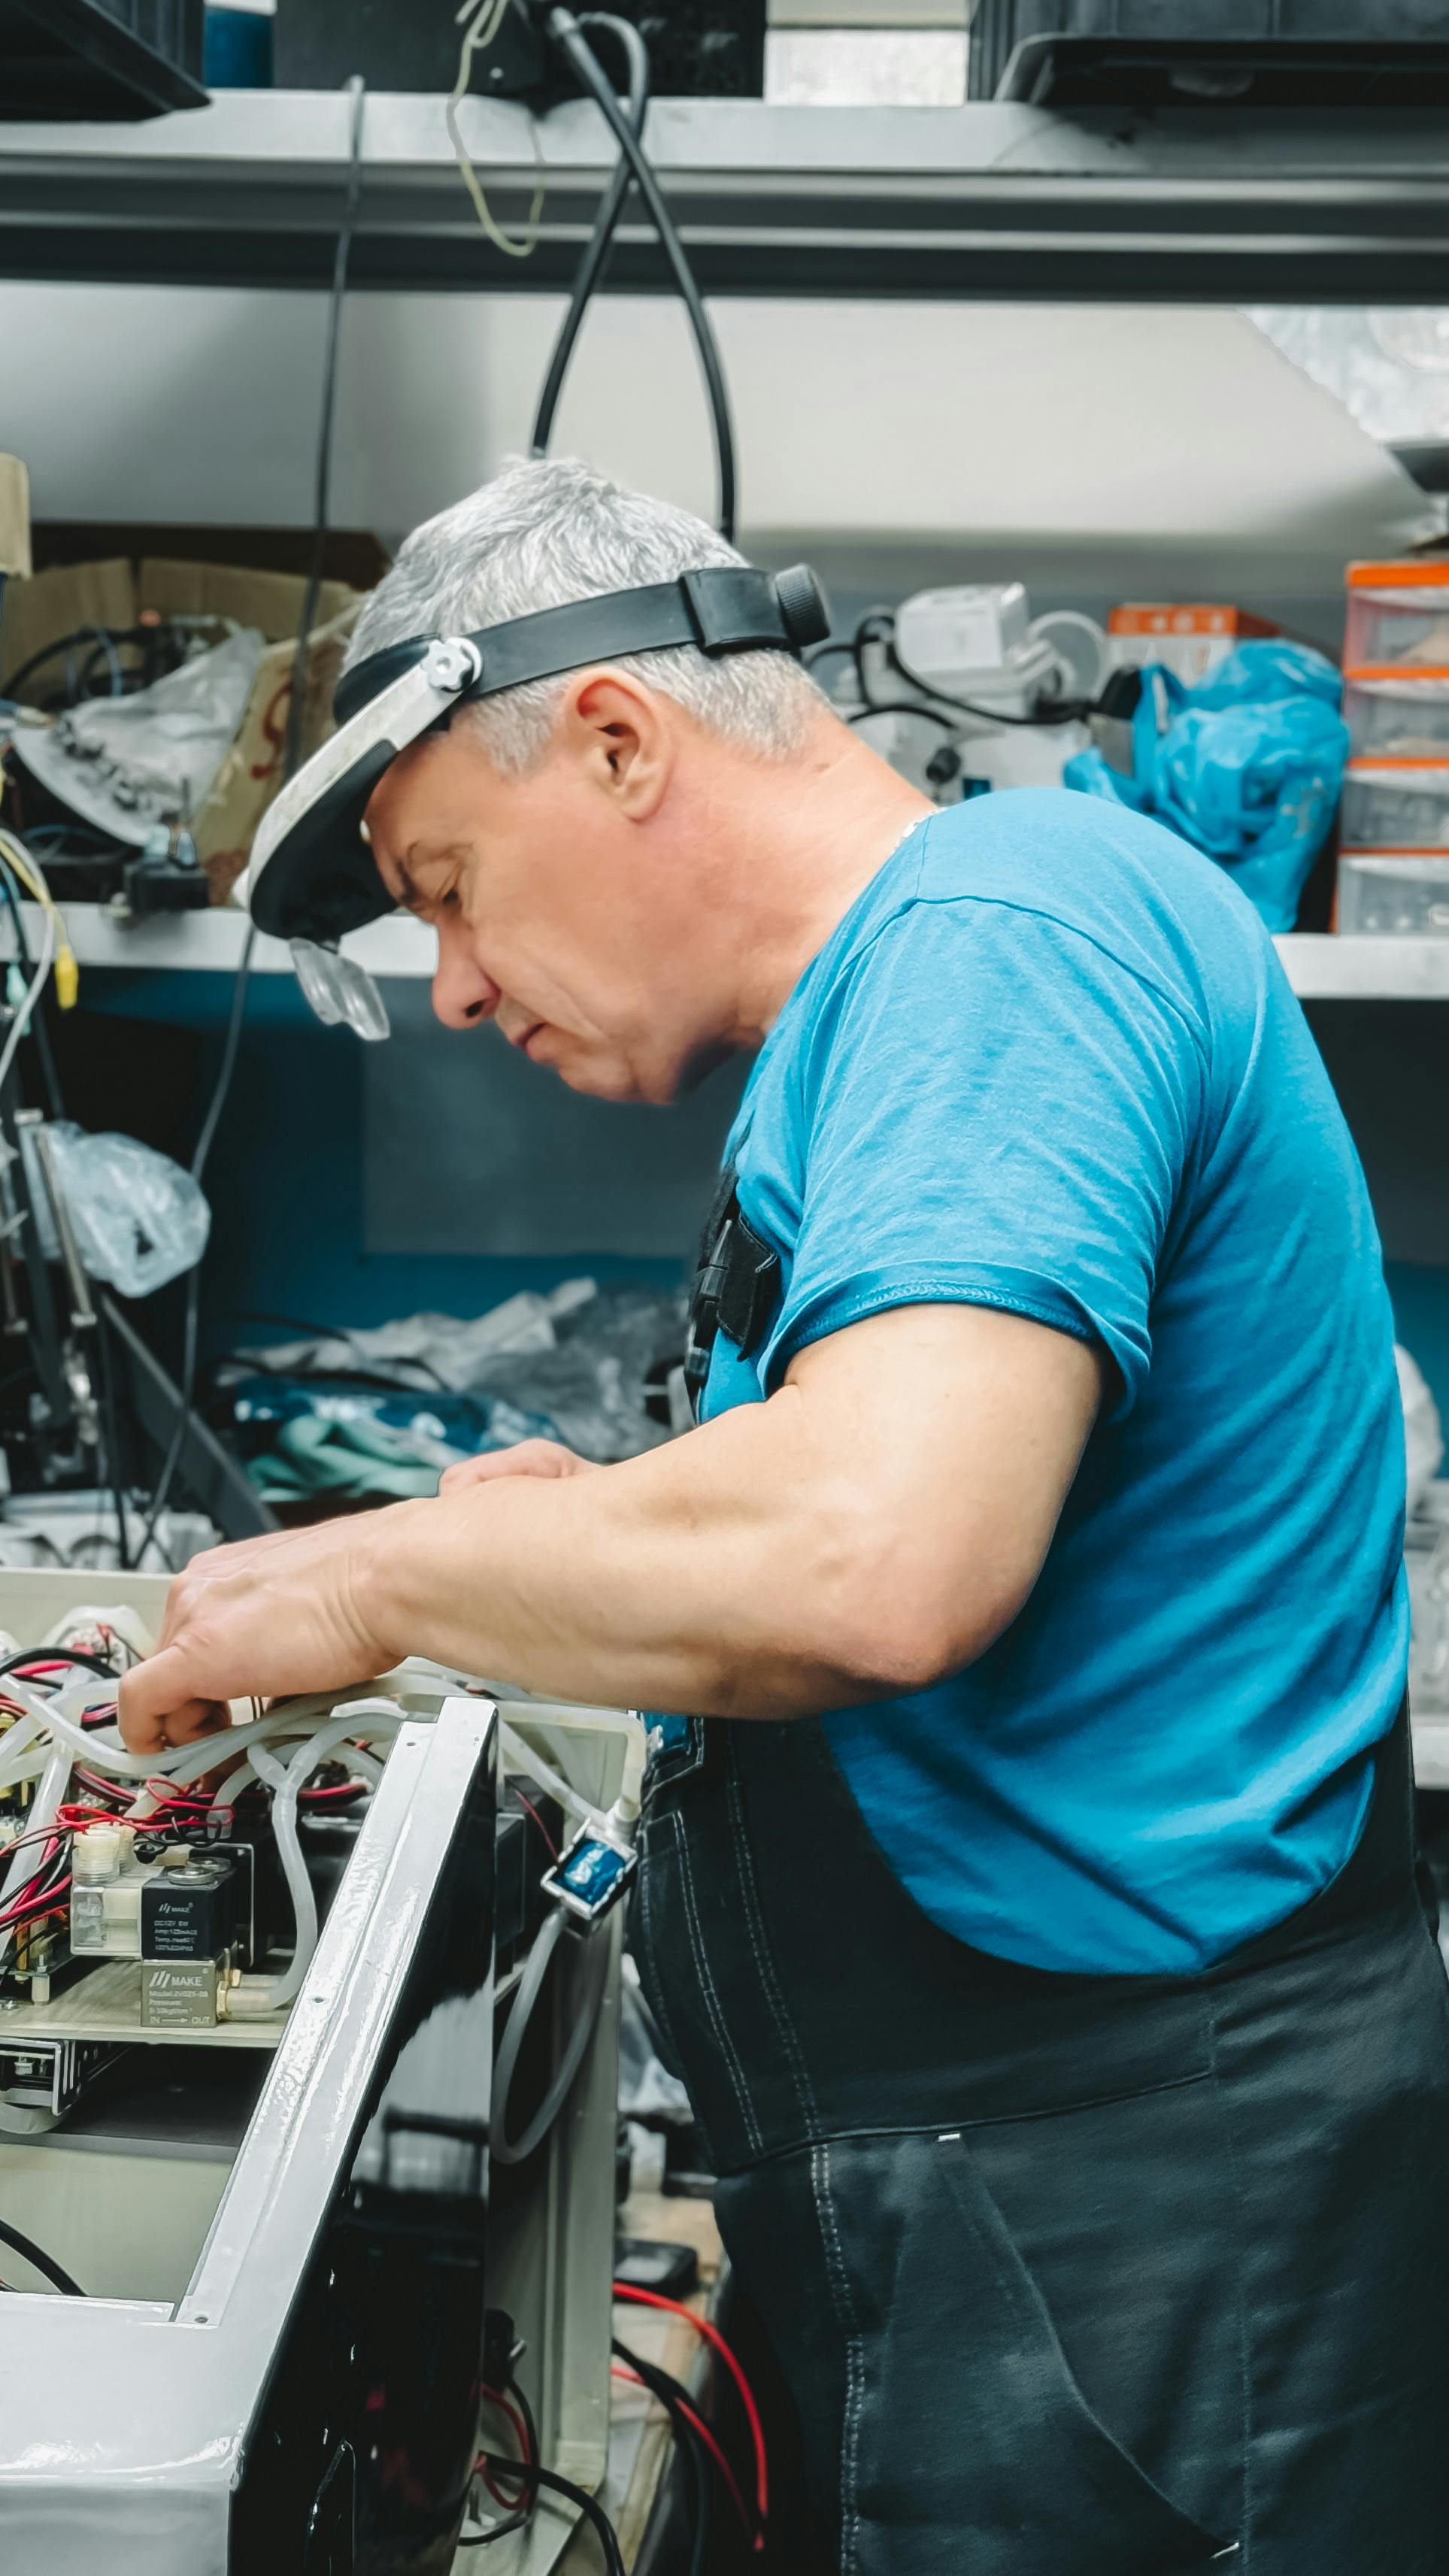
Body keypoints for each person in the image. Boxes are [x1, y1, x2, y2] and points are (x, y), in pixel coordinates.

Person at [119, 457, 1449, 2574]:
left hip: (1133, 2219)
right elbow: (881, 1447)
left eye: (452, 880)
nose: (453, 981)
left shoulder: (999, 929)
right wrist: (615, 1516)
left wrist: (382, 1572)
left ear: (623, 741)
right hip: (1019, 2183)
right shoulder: (911, 995)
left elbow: (883, 1552)